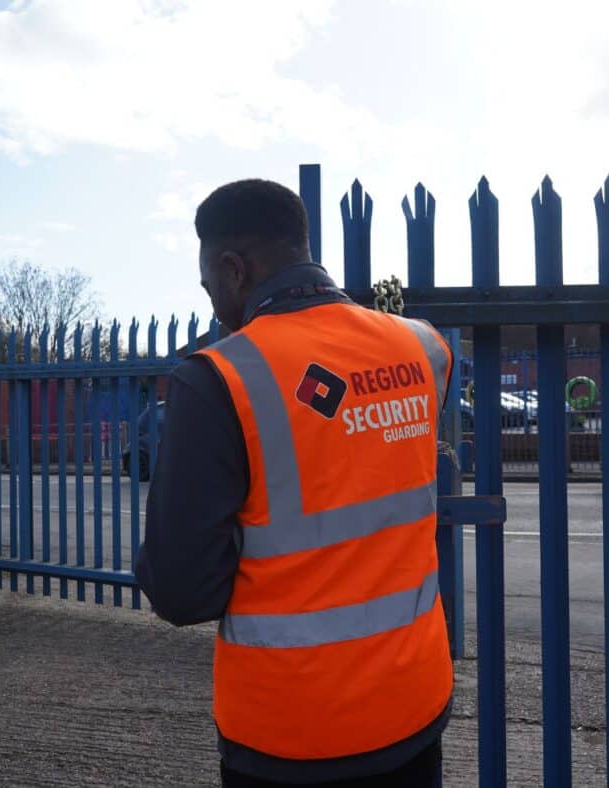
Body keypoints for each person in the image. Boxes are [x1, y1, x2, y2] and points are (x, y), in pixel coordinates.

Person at [135, 178, 454, 787]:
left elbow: (182, 593)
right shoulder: (422, 348)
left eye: (209, 288)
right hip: (413, 704)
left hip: (290, 731)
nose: (211, 306)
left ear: (232, 270)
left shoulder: (219, 379)